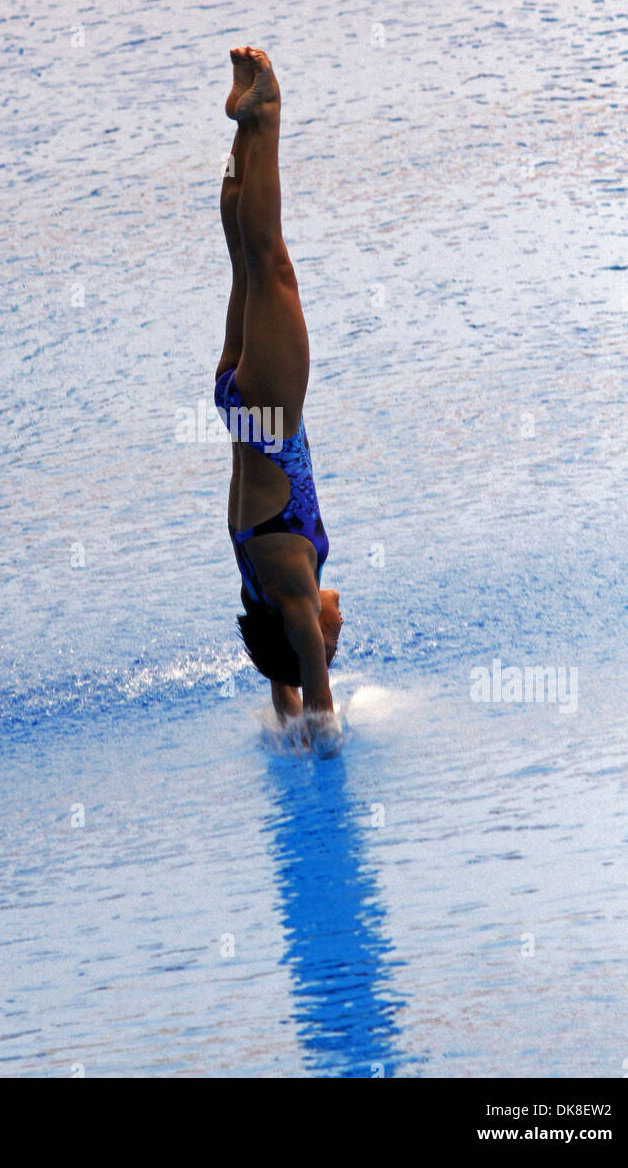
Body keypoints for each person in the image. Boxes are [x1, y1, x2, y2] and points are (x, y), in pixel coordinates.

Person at [215, 47, 343, 745]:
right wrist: (287, 700)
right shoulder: (265, 592)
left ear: (308, 641)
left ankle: (266, 113)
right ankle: (243, 126)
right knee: (243, 253)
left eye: (330, 637)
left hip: (269, 413)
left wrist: (318, 726)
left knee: (270, 261)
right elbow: (287, 685)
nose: (338, 621)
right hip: (237, 403)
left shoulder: (293, 596)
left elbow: (315, 706)